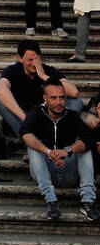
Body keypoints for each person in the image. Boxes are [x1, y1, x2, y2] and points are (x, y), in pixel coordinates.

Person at [20, 81, 98, 222]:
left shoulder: (72, 116)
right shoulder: (37, 112)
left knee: (84, 147)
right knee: (33, 144)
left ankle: (88, 201)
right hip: (45, 170)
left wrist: (67, 151)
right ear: (45, 98)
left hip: (68, 172)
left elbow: (88, 138)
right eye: (53, 98)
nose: (59, 102)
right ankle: (51, 200)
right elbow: (24, 133)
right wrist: (49, 152)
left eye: (62, 98)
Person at [0, 39, 80, 138]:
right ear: (20, 58)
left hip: (46, 118)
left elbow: (73, 92)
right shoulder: (13, 70)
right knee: (0, 101)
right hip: (23, 118)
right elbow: (1, 90)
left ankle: (51, 135)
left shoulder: (48, 70)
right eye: (30, 60)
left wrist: (43, 76)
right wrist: (28, 120)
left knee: (76, 101)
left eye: (36, 59)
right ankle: (33, 140)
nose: (34, 64)